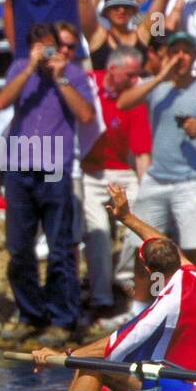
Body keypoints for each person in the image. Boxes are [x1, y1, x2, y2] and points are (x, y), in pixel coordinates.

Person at [28, 182, 196, 391]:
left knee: (94, 362)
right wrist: (127, 218)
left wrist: (59, 356)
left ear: (147, 269)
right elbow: (165, 244)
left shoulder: (169, 303)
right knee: (89, 363)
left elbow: (110, 346)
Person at [116, 32, 196, 317]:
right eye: (175, 52)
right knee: (145, 247)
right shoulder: (155, 87)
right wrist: (160, 76)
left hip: (192, 181)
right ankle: (139, 309)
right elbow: (123, 103)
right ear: (167, 56)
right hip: (157, 179)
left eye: (186, 52)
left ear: (194, 57)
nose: (181, 58)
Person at [0, 23, 95, 346]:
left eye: (51, 47)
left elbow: (86, 115)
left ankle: (63, 319)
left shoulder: (75, 75)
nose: (48, 53)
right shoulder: (19, 68)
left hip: (54, 166)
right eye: (40, 48)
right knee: (18, 247)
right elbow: (1, 102)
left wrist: (59, 77)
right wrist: (29, 70)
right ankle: (31, 314)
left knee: (60, 248)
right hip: (19, 165)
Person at [79, 45, 150, 320]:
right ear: (112, 70)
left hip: (123, 172)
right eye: (131, 75)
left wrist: (146, 192)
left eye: (138, 75)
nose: (136, 81)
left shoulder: (135, 99)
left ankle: (124, 278)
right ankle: (101, 297)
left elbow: (142, 152)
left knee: (139, 219)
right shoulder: (88, 86)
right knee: (97, 232)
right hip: (90, 172)